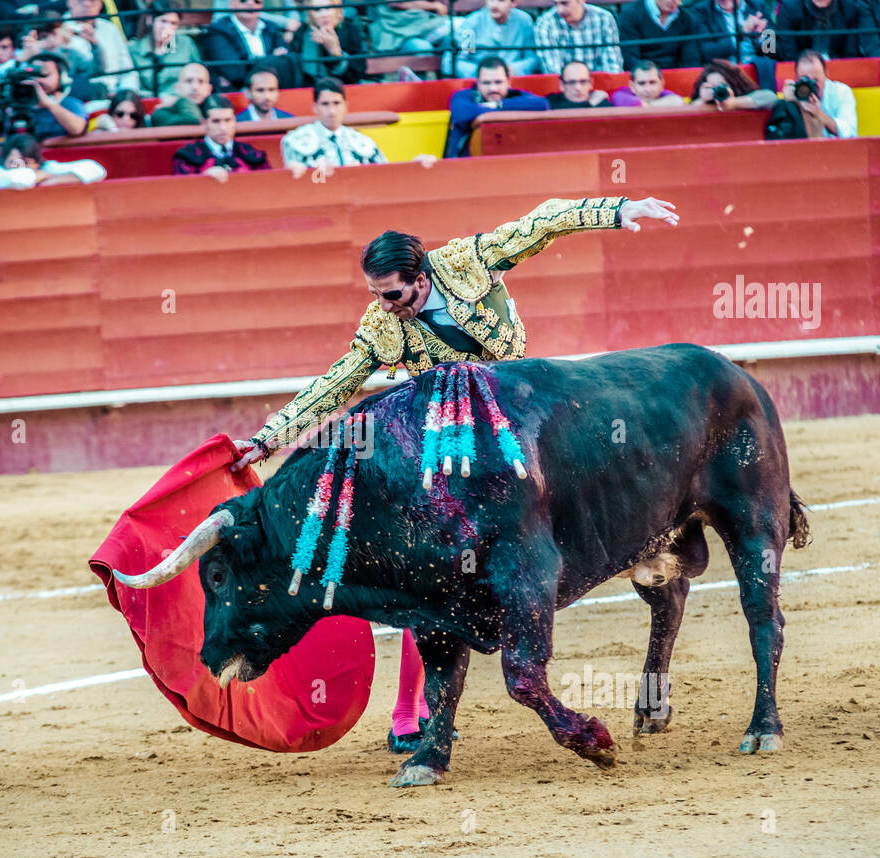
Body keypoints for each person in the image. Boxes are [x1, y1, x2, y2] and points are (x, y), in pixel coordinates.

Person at [229, 195, 681, 751]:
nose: (384, 306)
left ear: (420, 278)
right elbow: (336, 382)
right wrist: (268, 437)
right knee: (430, 570)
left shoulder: (469, 261)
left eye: (391, 294)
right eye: (375, 295)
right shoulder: (382, 324)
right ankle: (408, 712)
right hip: (449, 437)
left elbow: (543, 223)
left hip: (517, 406)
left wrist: (618, 210)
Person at [445, 56, 549, 158]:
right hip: (466, 166)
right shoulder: (462, 96)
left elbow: (542, 104)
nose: (493, 88)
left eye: (498, 82)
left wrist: (497, 104)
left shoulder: (515, 95)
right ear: (477, 83)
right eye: (486, 83)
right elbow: (463, 114)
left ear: (508, 81)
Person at [281, 76, 386, 170]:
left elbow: (382, 175)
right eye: (325, 104)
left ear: (345, 106)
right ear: (315, 107)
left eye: (336, 103)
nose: (332, 111)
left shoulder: (364, 141)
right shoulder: (295, 140)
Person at [203, 0, 298, 93]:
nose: (250, 3)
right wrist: (272, 60)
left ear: (262, 5)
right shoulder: (218, 31)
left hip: (276, 90)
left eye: (257, 1)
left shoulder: (271, 27)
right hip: (239, 94)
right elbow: (234, 72)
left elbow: (288, 61)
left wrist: (253, 63)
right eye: (243, 0)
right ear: (231, 4)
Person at [172, 94, 271, 179]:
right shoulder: (187, 155)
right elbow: (182, 192)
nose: (223, 128)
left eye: (228, 120)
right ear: (204, 123)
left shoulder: (252, 153)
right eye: (216, 121)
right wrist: (202, 179)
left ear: (234, 121)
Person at [64, 0, 140, 95]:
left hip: (116, 99)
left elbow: (128, 71)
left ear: (101, 3)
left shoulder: (110, 29)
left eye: (93, 0)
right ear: (69, 2)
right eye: (81, 0)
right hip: (79, 98)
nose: (87, 4)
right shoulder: (57, 32)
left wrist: (127, 97)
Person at [449, 0, 538, 79]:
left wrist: (514, 69)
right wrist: (481, 72)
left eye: (501, 0)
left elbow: (532, 58)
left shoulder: (524, 21)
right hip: (478, 82)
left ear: (513, 3)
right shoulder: (472, 24)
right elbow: (459, 60)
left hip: (514, 81)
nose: (494, 5)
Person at [129, 2, 201, 97]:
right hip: (146, 104)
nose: (168, 28)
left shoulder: (186, 44)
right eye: (163, 21)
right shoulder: (133, 49)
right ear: (150, 19)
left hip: (181, 102)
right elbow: (131, 86)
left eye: (173, 23)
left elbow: (199, 76)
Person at [533, 0, 624, 75]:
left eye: (565, 3)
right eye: (555, 4)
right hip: (565, 88)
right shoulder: (545, 23)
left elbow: (612, 65)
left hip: (601, 86)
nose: (559, 10)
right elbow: (552, 71)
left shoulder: (604, 18)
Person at [288, 0, 367, 85]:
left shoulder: (349, 30)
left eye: (328, 8)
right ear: (310, 13)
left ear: (336, 10)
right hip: (308, 89)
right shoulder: (302, 32)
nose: (324, 14)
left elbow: (357, 74)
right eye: (317, 9)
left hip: (342, 89)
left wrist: (335, 53)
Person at [782, 47, 857, 138]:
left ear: (826, 75)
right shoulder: (794, 94)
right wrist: (791, 102)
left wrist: (819, 114)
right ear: (797, 79)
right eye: (805, 81)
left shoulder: (841, 92)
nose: (810, 86)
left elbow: (850, 133)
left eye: (815, 81)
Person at [615, 0, 701, 71]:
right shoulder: (630, 14)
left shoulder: (686, 17)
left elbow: (691, 58)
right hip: (644, 77)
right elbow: (630, 58)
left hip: (676, 74)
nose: (675, 2)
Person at [765, 0, 862, 61]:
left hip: (840, 69)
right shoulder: (789, 7)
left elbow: (850, 54)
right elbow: (789, 54)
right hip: (800, 68)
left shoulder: (850, 8)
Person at [689, 0, 778, 64]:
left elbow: (775, 50)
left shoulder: (757, 5)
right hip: (724, 71)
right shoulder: (701, 11)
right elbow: (707, 52)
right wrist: (741, 34)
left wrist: (759, 37)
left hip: (758, 68)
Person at [367, 0, 454, 57]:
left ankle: (451, 83)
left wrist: (435, 5)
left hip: (429, 26)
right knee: (422, 47)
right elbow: (395, 3)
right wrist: (432, 6)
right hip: (397, 33)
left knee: (451, 41)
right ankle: (420, 83)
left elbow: (443, 9)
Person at [688, 58, 779, 109]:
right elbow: (685, 111)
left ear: (733, 84)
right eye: (712, 86)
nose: (718, 90)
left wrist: (733, 103)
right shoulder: (702, 100)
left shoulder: (742, 96)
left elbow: (771, 97)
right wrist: (702, 100)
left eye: (722, 85)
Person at [610, 59, 686, 106]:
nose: (647, 89)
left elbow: (678, 101)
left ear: (661, 84)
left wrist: (647, 105)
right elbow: (635, 104)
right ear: (632, 86)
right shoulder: (621, 94)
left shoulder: (664, 94)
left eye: (652, 82)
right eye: (641, 83)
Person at [545, 59, 611, 107]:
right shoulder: (550, 103)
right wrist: (590, 103)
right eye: (571, 82)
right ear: (562, 85)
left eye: (583, 82)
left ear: (591, 83)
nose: (578, 88)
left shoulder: (601, 103)